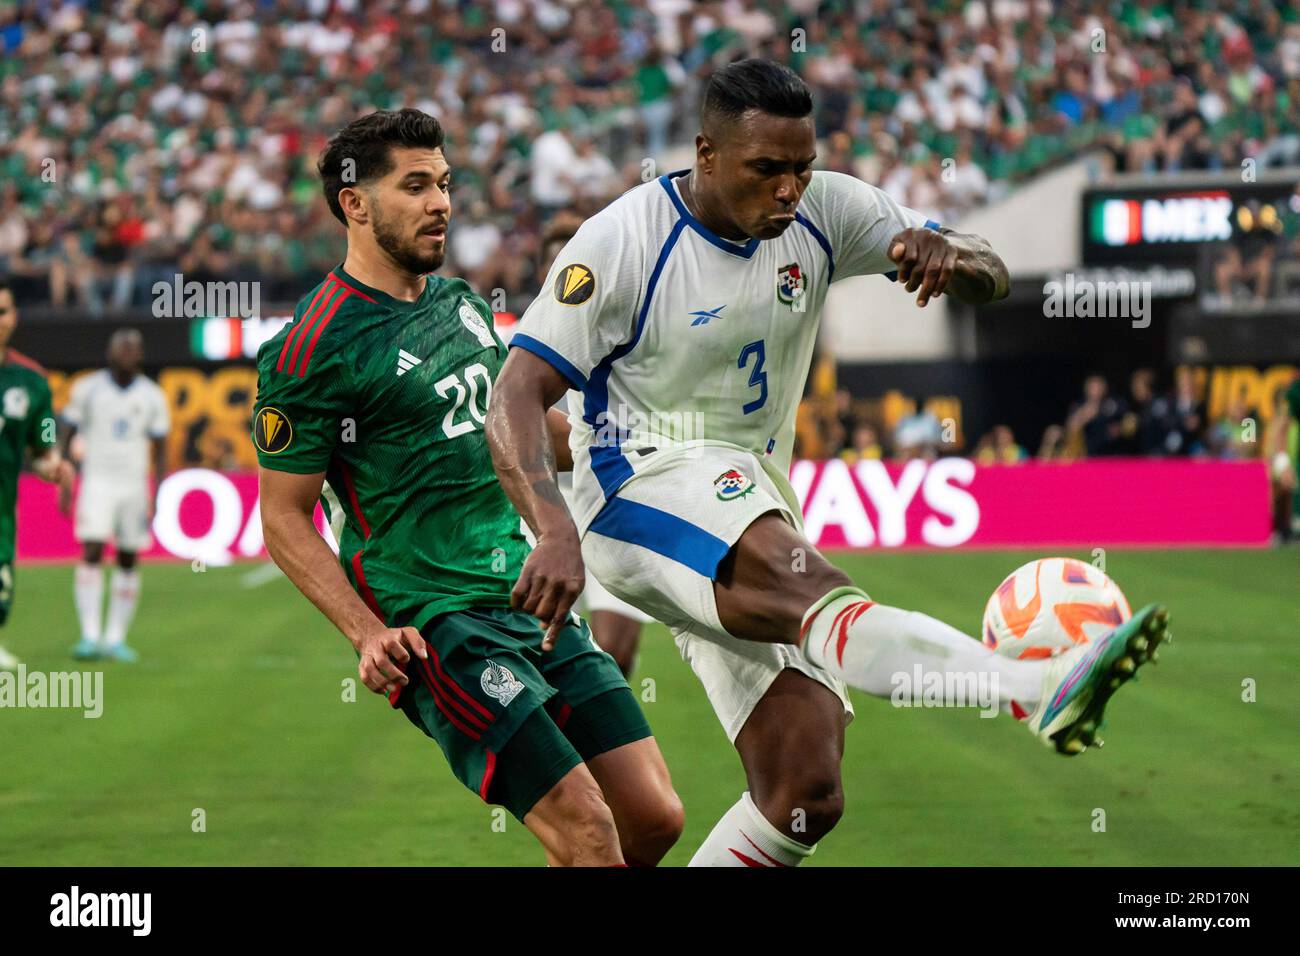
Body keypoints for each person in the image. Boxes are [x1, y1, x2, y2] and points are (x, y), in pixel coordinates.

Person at [487, 59, 1169, 867]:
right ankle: (1036, 687)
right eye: (766, 170)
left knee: (804, 789)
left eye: (801, 169)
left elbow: (988, 269)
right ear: (706, 154)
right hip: (639, 487)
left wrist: (947, 253)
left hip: (747, 492)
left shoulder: (831, 209)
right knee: (811, 586)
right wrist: (552, 528)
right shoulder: (622, 239)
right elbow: (515, 395)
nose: (788, 190)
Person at [253, 109, 682, 866]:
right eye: (415, 186)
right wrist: (366, 632)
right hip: (437, 621)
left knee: (652, 817)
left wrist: (646, 452)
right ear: (355, 203)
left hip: (528, 598)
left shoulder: (462, 307)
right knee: (587, 829)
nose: (441, 202)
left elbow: (518, 432)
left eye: (445, 184)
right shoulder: (310, 349)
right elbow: (282, 519)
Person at [536, 214, 651, 678]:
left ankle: (607, 740)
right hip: (545, 501)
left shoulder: (625, 325)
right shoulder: (519, 331)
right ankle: (564, 749)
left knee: (614, 653)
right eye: (556, 260)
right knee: (542, 647)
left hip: (609, 491)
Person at [60, 328, 170, 661]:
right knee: (91, 549)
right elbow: (61, 427)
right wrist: (63, 476)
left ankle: (116, 638)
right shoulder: (87, 389)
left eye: (133, 348)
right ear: (109, 352)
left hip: (134, 484)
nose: (127, 353)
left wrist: (158, 491)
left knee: (128, 555)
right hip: (97, 481)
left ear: (141, 355)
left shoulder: (152, 395)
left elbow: (161, 446)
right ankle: (90, 636)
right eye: (121, 348)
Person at [0, 279, 75, 669]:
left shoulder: (32, 381)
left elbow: (43, 444)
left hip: (1, 502)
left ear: (15, 316)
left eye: (3, 311)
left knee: (1, 581)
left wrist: (54, 466)